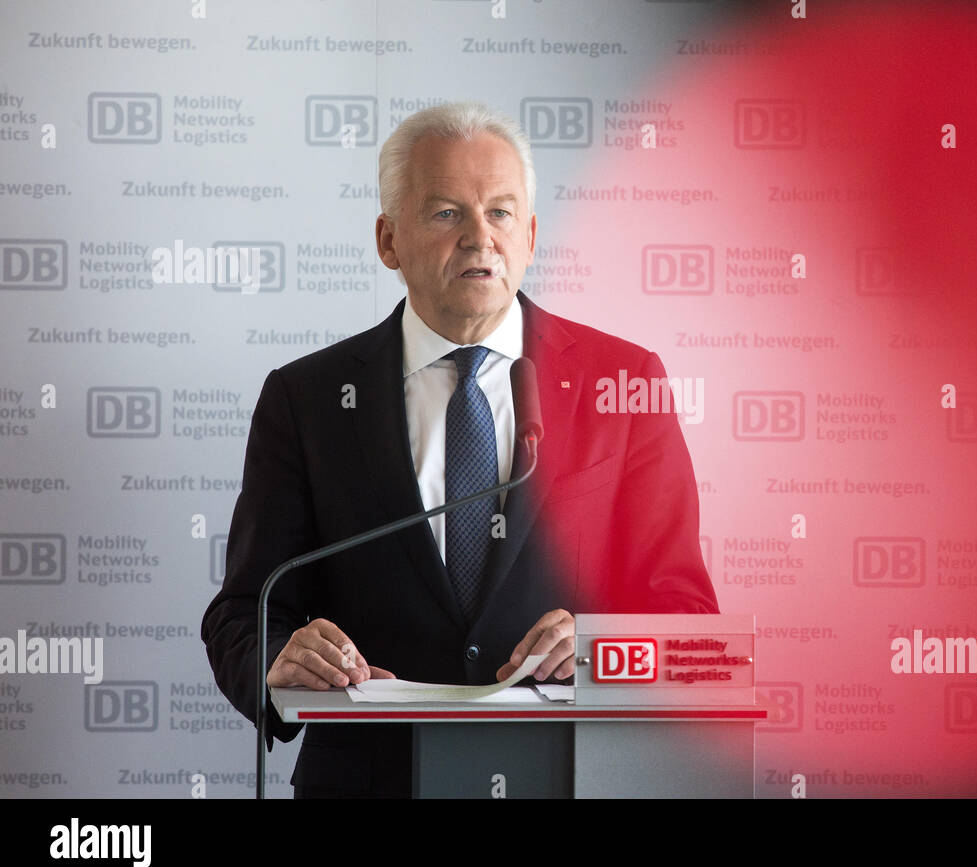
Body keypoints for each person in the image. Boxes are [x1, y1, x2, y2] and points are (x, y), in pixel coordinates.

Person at [201, 101, 718, 798]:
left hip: (570, 776)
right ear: (388, 240)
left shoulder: (622, 384)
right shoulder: (307, 399)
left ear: (530, 235)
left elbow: (683, 611)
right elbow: (245, 612)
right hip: (368, 782)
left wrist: (597, 648)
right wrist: (279, 657)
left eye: (501, 213)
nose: (481, 238)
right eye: (447, 213)